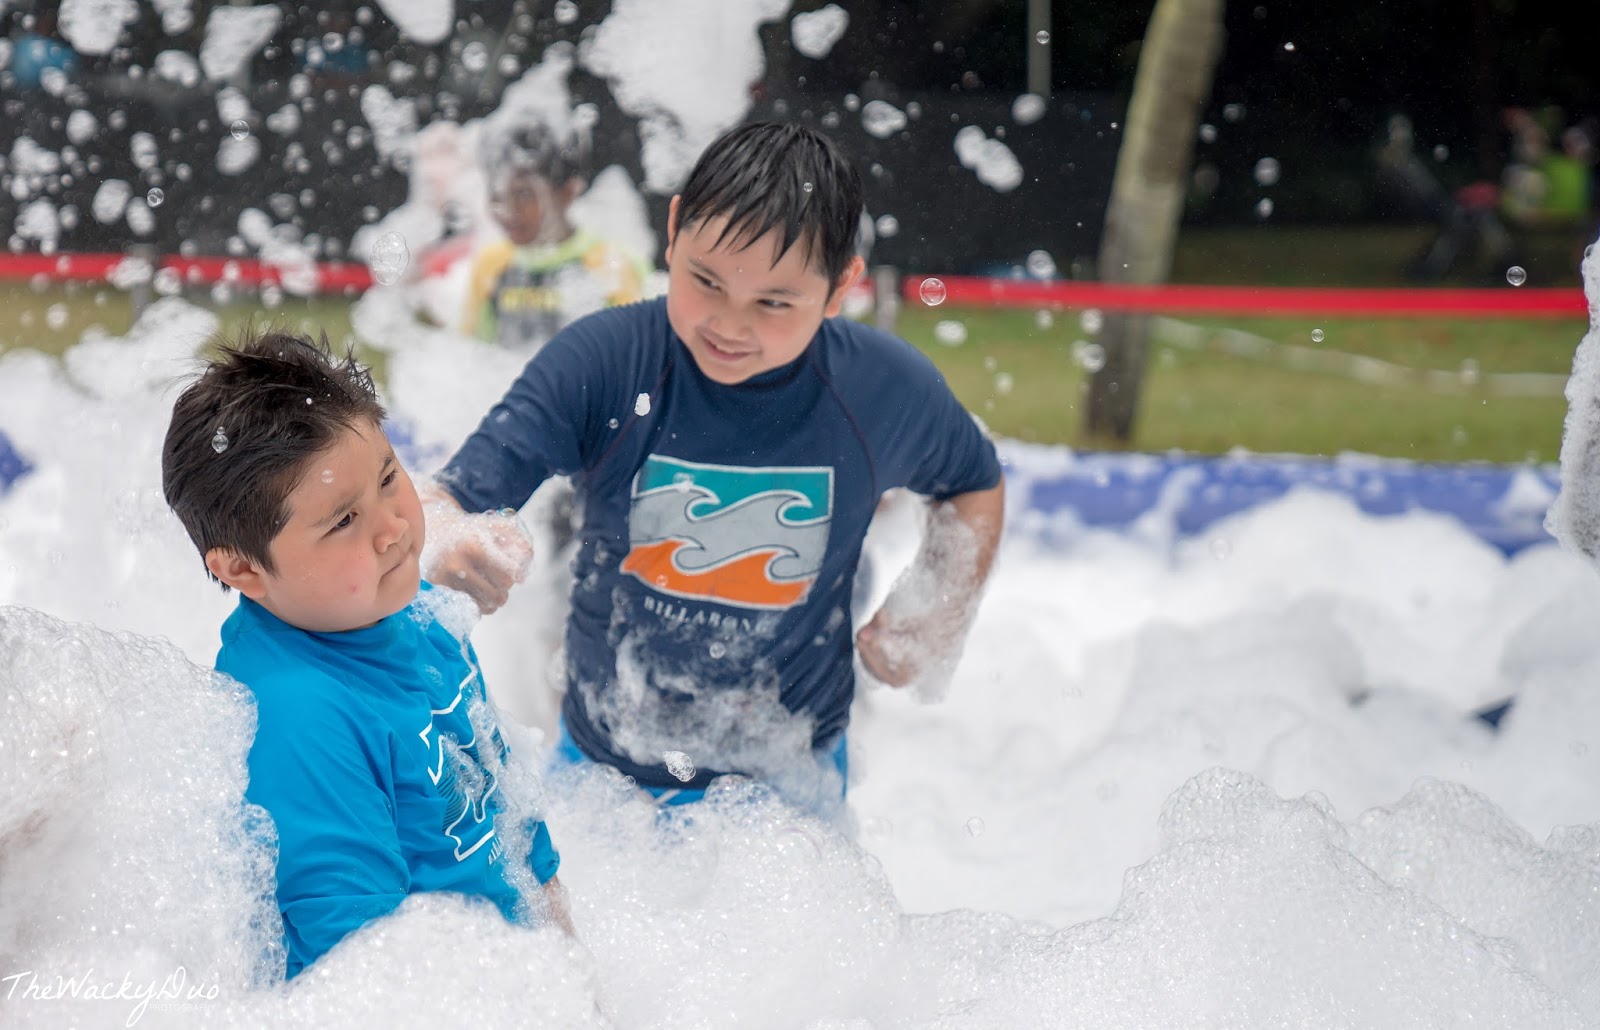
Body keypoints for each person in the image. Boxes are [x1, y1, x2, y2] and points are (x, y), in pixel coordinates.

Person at [426, 121, 1005, 811]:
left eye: (774, 303)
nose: (730, 325)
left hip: (792, 780)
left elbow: (973, 482)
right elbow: (449, 494)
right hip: (603, 773)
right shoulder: (605, 364)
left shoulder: (878, 391)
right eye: (704, 280)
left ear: (841, 285)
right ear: (673, 232)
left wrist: (932, 614)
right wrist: (451, 538)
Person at [160, 329, 569, 979]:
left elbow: (521, 835)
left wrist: (575, 980)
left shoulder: (423, 615)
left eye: (387, 476)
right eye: (344, 520)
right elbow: (362, 973)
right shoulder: (296, 717)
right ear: (242, 568)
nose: (395, 528)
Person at [462, 114, 650, 349]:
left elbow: (635, 357)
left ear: (568, 191)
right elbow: (471, 357)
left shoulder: (610, 266)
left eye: (523, 194)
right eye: (496, 194)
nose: (507, 211)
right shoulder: (491, 265)